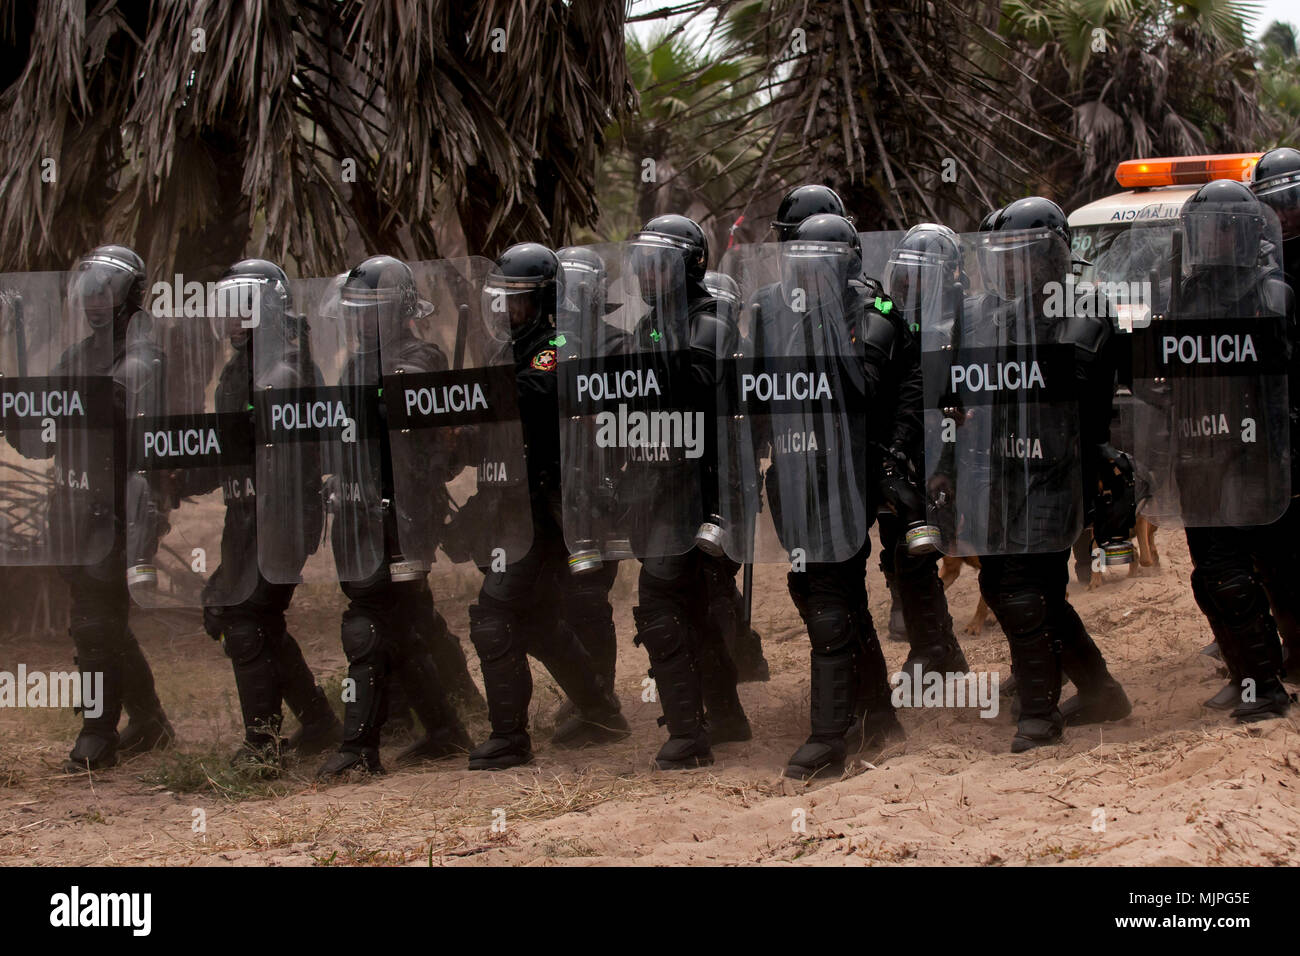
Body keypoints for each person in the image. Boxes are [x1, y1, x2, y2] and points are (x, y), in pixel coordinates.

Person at [932, 198, 1131, 751]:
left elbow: (1079, 386)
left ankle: (1040, 718)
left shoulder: (1085, 305)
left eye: (1023, 255)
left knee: (1025, 589)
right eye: (1003, 257)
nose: (1011, 267)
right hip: (995, 469)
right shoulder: (986, 313)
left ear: (1052, 255)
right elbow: (959, 393)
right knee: (1010, 586)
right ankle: (1097, 689)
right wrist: (948, 460)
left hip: (1055, 470)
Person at [747, 214, 907, 779]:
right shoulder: (778, 312)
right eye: (798, 260)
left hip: (847, 474)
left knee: (831, 598)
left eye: (818, 261)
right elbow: (757, 388)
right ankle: (878, 715)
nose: (805, 271)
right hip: (794, 472)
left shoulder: (873, 312)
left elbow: (860, 384)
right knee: (813, 587)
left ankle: (828, 739)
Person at [459, 243, 629, 771]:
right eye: (500, 299)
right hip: (507, 504)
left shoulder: (561, 344)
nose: (504, 310)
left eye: (516, 300)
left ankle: (509, 737)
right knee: (534, 620)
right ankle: (600, 708)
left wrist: (472, 396)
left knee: (494, 616)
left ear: (542, 299)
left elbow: (537, 389)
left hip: (554, 509)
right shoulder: (501, 350)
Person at [315, 256, 472, 777]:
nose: (358, 320)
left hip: (404, 519)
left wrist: (392, 392)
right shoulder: (357, 364)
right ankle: (446, 729)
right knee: (402, 628)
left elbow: (416, 428)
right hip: (361, 513)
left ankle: (359, 747)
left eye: (369, 309)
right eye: (353, 310)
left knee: (367, 627)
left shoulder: (419, 358)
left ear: (399, 310)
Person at [616, 215, 751, 769]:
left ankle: (689, 737)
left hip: (706, 489)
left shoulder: (710, 317)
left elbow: (693, 380)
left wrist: (629, 377)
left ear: (691, 265)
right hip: (660, 484)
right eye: (642, 263)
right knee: (694, 606)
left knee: (659, 605)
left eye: (659, 263)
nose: (647, 274)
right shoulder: (650, 324)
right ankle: (723, 716)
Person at [34, 246, 175, 772]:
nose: (95, 301)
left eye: (106, 290)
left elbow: (147, 440)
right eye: (88, 291)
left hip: (120, 509)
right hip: (72, 507)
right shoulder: (74, 359)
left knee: (95, 624)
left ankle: (98, 731)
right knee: (102, 622)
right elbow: (45, 439)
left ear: (129, 296)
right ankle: (151, 721)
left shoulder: (144, 360)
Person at [195, 260, 341, 766]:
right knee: (258, 620)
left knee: (244, 619)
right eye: (228, 312)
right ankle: (320, 721)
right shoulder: (245, 367)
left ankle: (262, 743)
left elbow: (297, 453)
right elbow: (232, 447)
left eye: (244, 311)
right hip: (244, 513)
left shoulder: (286, 367)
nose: (233, 322)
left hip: (280, 513)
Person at [1169, 181, 1295, 722]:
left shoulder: (1272, 294)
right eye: (1201, 227)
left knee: (1247, 573)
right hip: (1199, 447)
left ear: (1243, 232)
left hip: (1252, 453)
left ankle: (1266, 684)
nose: (1209, 237)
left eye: (1219, 226)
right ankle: (1248, 675)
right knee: (1210, 576)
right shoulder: (1188, 293)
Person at [879, 224, 969, 680]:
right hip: (906, 450)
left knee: (989, 563)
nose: (905, 285)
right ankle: (936, 651)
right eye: (903, 275)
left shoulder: (965, 319)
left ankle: (938, 651)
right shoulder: (890, 316)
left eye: (919, 276)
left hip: (954, 455)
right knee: (901, 554)